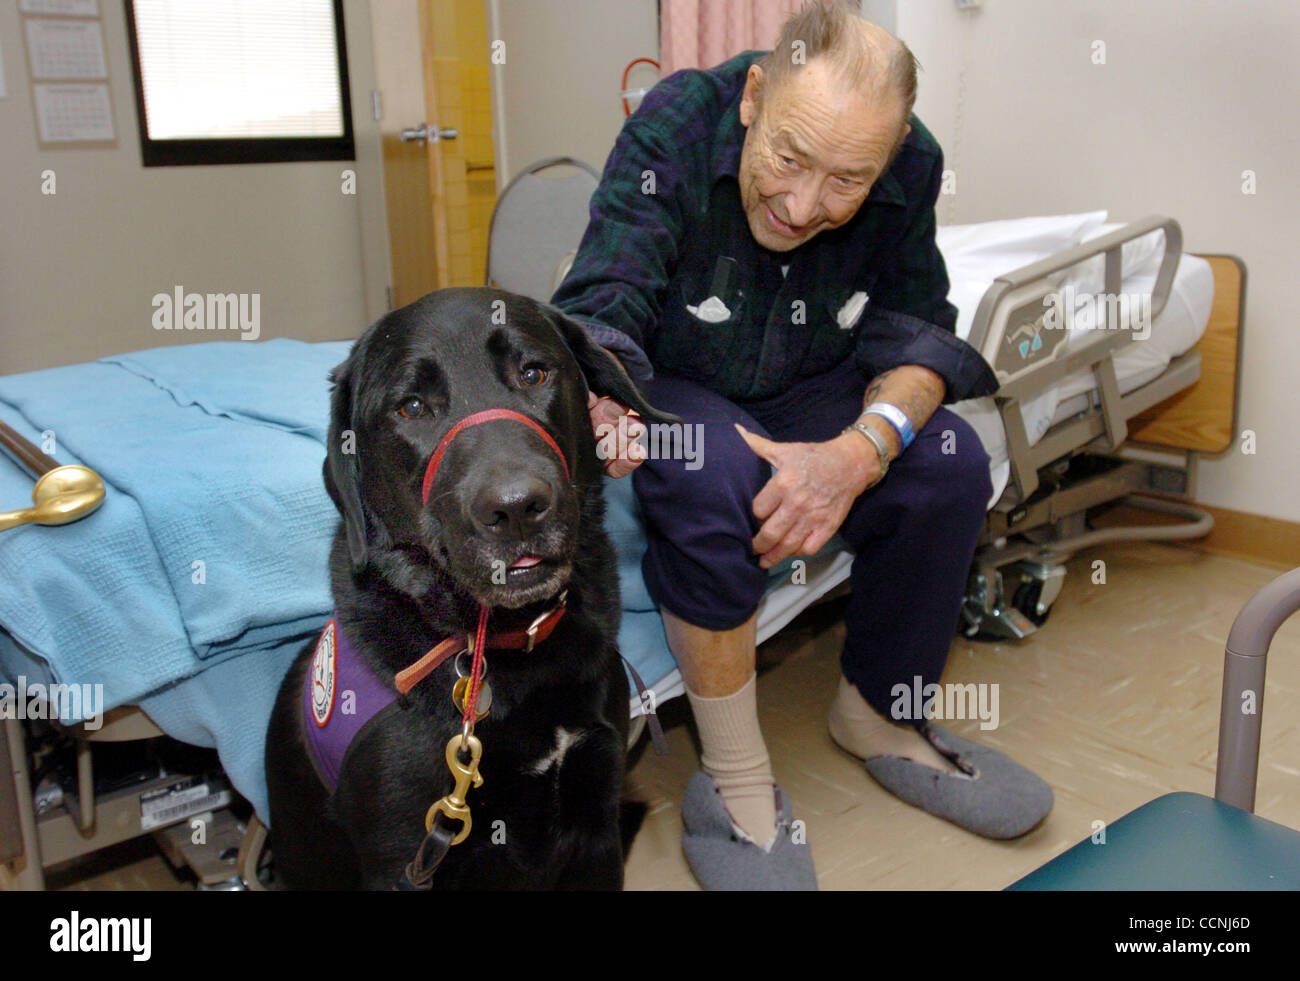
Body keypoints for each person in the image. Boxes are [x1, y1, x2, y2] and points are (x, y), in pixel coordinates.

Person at [557, 0, 1053, 890]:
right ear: (753, 96)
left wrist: (856, 454)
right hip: (679, 372)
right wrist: (607, 400)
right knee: (708, 471)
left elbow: (914, 331)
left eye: (846, 182)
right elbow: (609, 294)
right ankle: (738, 777)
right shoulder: (673, 123)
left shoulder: (911, 163)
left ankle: (878, 712)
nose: (801, 204)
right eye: (788, 158)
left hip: (819, 372)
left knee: (949, 464)